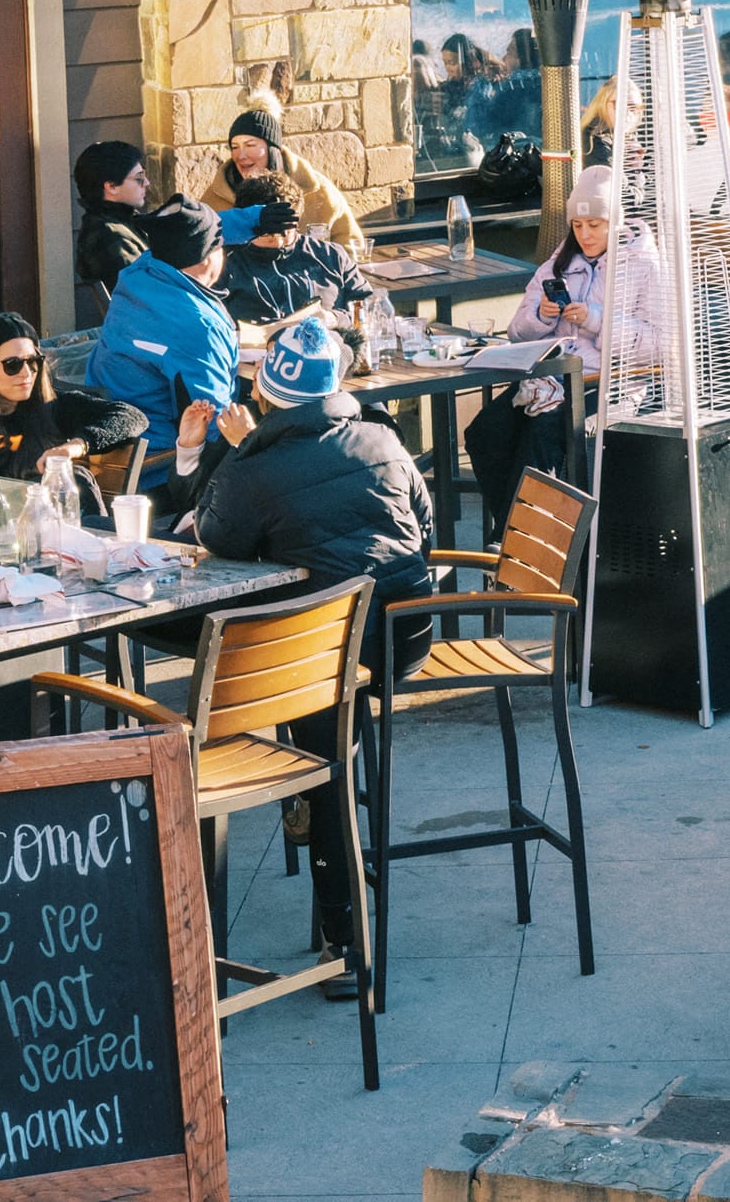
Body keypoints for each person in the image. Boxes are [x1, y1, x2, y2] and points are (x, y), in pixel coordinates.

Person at [190, 320, 437, 991]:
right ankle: (321, 804)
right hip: (407, 632)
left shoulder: (257, 468)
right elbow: (427, 524)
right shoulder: (383, 435)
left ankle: (345, 934)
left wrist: (235, 453)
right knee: (327, 709)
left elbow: (217, 537)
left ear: (266, 396)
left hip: (326, 649)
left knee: (320, 735)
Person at [463, 166, 663, 519]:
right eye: (577, 225)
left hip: (606, 384)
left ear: (614, 221)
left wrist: (595, 319)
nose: (584, 235)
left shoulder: (643, 262)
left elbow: (660, 345)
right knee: (484, 432)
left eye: (595, 225)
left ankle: (527, 550)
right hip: (550, 378)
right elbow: (517, 333)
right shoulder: (560, 261)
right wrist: (541, 314)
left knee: (540, 434)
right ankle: (510, 533)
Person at [82, 199, 240, 496]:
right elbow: (218, 422)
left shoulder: (136, 275)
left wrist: (254, 218)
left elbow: (193, 231)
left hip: (112, 452)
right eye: (222, 246)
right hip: (155, 469)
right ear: (208, 257)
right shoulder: (198, 326)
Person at [0, 305, 145, 482]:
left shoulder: (51, 405)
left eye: (34, 361)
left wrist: (74, 446)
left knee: (79, 480)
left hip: (54, 530)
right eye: (12, 365)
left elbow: (132, 416)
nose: (26, 373)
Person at [198, 105, 367, 253]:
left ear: (272, 149)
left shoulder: (318, 190)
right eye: (235, 147)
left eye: (250, 145)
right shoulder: (215, 199)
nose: (241, 155)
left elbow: (351, 245)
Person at [220, 175, 369, 325]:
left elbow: (367, 305)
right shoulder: (225, 265)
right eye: (266, 233)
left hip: (332, 343)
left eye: (286, 231)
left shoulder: (331, 256)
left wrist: (334, 319)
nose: (277, 241)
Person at [72, 140, 151, 303]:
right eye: (139, 178)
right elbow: (146, 294)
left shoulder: (122, 223)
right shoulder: (108, 235)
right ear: (111, 187)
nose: (147, 183)